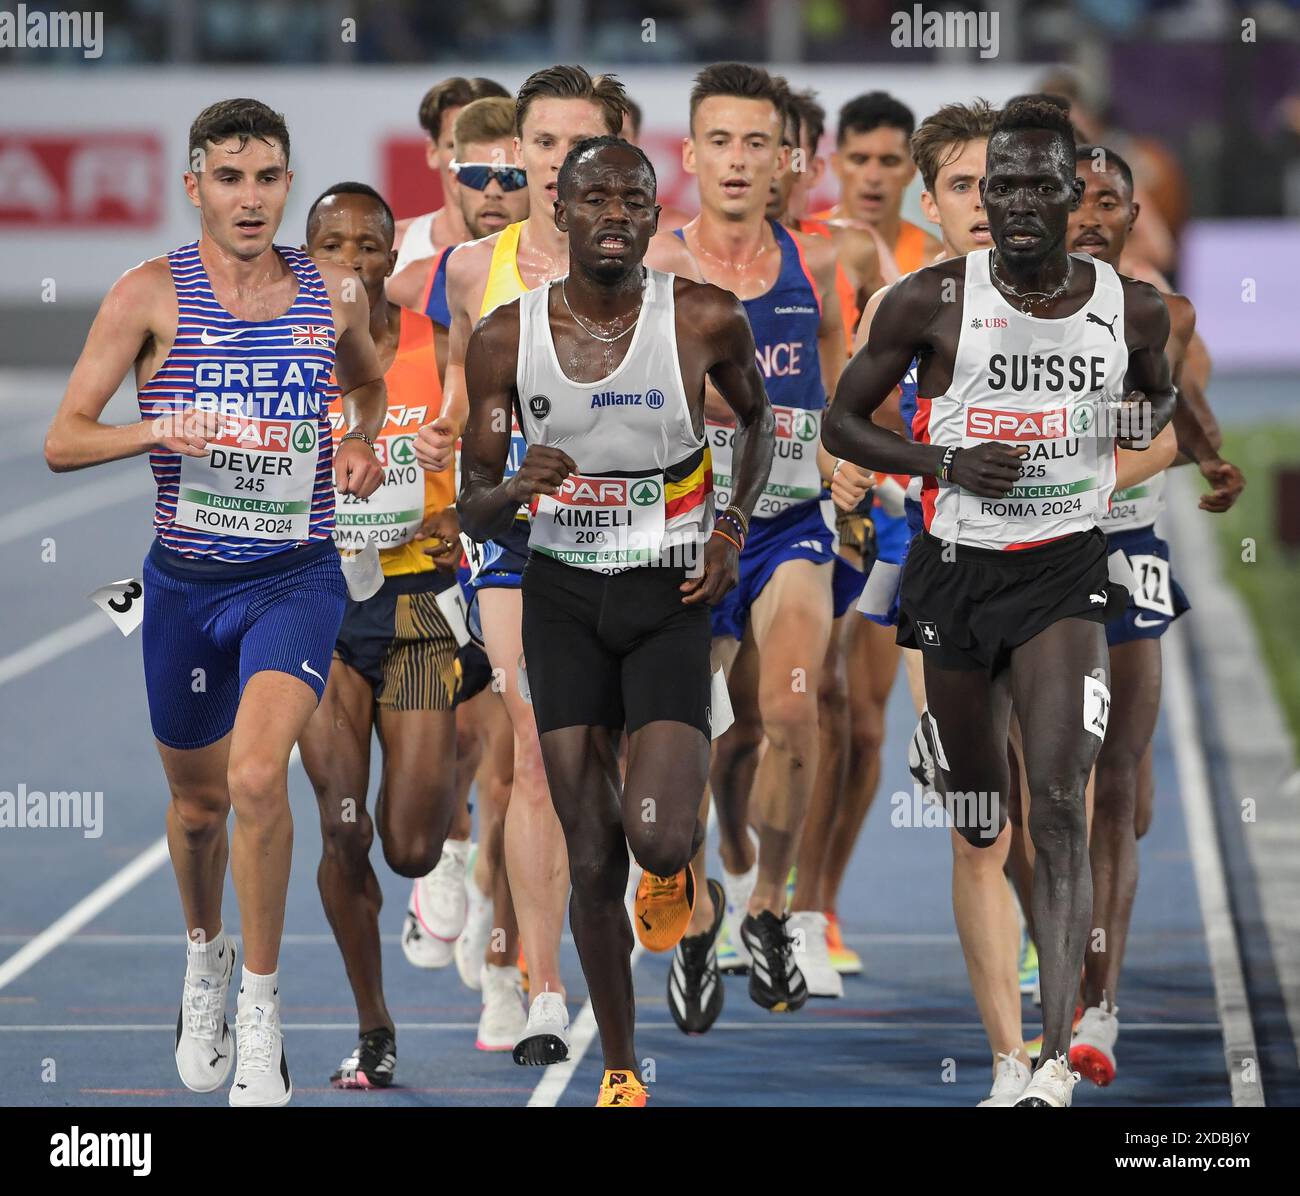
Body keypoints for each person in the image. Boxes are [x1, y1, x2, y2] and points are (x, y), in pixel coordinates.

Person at [824, 97, 1177, 1107]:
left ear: (1075, 194)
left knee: (1059, 799)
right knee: (983, 815)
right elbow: (847, 422)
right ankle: (1005, 1051)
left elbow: (1152, 394)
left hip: (1066, 571)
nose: (1015, 201)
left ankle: (1053, 1055)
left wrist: (1111, 441)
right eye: (995, 184)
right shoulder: (926, 301)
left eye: (1036, 183)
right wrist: (940, 459)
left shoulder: (1129, 307)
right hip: (953, 572)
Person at [44, 99, 387, 1106]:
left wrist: (361, 440)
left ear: (287, 184)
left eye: (268, 177)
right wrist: (158, 429)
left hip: (294, 577)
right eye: (229, 178)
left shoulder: (332, 292)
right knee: (197, 809)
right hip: (188, 590)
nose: (250, 197)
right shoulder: (148, 293)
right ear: (193, 184)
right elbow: (63, 438)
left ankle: (265, 1011)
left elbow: (363, 388)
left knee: (252, 777)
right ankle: (208, 962)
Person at [458, 135, 775, 1106]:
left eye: (630, 199)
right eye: (589, 195)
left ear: (649, 212)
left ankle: (683, 881)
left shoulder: (704, 321)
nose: (610, 213)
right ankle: (622, 1067)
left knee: (661, 836)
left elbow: (759, 422)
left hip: (670, 594)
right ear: (557, 205)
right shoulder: (506, 337)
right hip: (560, 597)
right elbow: (472, 504)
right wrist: (515, 483)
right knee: (590, 849)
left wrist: (728, 525)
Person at [414, 64, 701, 1065]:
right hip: (520, 540)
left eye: (583, 144)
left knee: (633, 782)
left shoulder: (665, 277)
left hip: (648, 550)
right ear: (530, 156)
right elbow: (458, 410)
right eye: (542, 145)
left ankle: (658, 860)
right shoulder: (468, 272)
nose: (555, 162)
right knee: (531, 754)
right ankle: (539, 982)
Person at [673, 63, 861, 1020]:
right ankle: (695, 911)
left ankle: (773, 908)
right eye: (721, 141)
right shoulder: (655, 268)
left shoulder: (825, 264)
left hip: (787, 526)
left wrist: (850, 471)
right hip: (678, 534)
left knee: (793, 715)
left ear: (788, 157)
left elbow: (840, 403)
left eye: (758, 143)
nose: (739, 161)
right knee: (688, 739)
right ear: (690, 153)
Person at [1066, 143, 1244, 1088]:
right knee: (1032, 791)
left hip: (1128, 551)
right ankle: (1050, 946)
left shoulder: (1165, 317)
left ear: (1137, 219)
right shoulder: (998, 316)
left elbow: (1191, 407)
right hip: (1025, 554)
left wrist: (1212, 459)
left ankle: (1098, 1005)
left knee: (1119, 789)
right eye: (1078, 201)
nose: (1092, 217)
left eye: (1110, 204)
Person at [386, 96, 530, 314]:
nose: (492, 192)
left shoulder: (568, 277)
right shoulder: (410, 287)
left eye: (510, 177)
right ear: (455, 181)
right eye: (476, 176)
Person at [816, 91, 943, 276]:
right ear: (836, 165)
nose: (873, 177)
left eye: (889, 161)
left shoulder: (933, 264)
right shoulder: (801, 244)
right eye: (859, 160)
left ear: (911, 170)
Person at [391, 76, 511, 271]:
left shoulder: (547, 254)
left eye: (484, 145)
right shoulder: (394, 246)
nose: (470, 161)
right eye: (456, 145)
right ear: (432, 152)